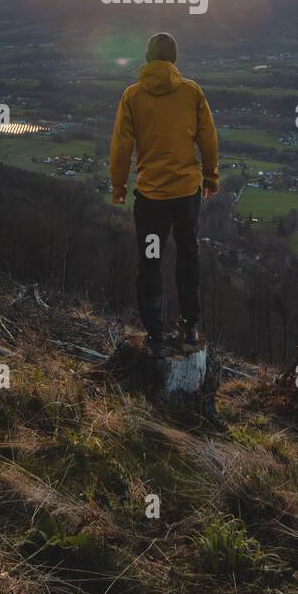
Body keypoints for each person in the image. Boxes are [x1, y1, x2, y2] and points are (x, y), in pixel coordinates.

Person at [109, 31, 219, 357]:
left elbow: (121, 147)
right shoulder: (191, 91)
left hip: (151, 199)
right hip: (186, 195)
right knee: (188, 254)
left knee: (151, 260)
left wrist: (118, 186)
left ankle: (154, 331)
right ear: (174, 59)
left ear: (147, 58)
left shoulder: (133, 96)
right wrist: (211, 177)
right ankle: (191, 324)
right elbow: (208, 139)